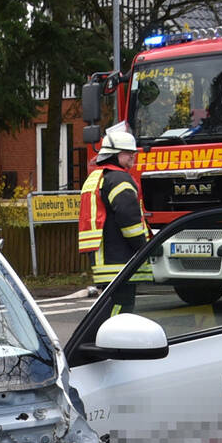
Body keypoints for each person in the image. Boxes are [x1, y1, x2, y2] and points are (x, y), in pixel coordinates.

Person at [78, 124, 149, 312]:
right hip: (120, 259)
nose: (132, 156)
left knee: (109, 307)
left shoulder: (97, 177)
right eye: (127, 153)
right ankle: (113, 341)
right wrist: (145, 248)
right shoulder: (120, 179)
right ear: (114, 154)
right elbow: (129, 221)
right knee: (120, 310)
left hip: (104, 258)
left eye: (133, 152)